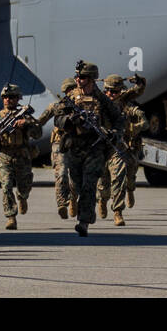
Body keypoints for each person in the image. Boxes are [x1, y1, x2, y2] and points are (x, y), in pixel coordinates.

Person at [54, 61, 124, 237]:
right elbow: (58, 118)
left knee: (89, 185)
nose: (78, 80)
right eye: (77, 76)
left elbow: (118, 119)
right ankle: (74, 201)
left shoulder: (102, 99)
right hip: (74, 147)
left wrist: (114, 133)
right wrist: (70, 120)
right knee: (76, 185)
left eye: (83, 77)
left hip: (94, 148)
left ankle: (83, 222)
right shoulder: (70, 97)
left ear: (92, 79)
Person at [96, 74, 147, 227]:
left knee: (119, 177)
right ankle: (102, 200)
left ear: (120, 91)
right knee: (103, 181)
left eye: (114, 92)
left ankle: (118, 211)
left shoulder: (124, 102)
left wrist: (140, 81)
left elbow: (138, 90)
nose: (110, 95)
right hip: (101, 145)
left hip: (117, 145)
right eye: (108, 91)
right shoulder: (98, 102)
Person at [0, 84, 40, 230]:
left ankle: (22, 197)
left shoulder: (25, 116)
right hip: (4, 155)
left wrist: (26, 123)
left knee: (25, 185)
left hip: (22, 155)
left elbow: (38, 133)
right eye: (5, 97)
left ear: (18, 99)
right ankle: (11, 216)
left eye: (11, 97)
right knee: (6, 186)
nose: (8, 100)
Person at [37, 78, 77, 218]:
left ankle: (73, 199)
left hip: (77, 144)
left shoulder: (83, 107)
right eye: (68, 90)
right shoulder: (56, 106)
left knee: (75, 178)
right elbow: (40, 121)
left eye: (73, 89)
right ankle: (62, 203)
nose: (71, 92)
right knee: (61, 173)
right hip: (59, 143)